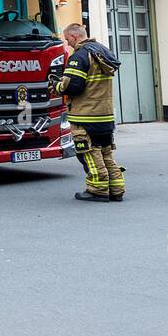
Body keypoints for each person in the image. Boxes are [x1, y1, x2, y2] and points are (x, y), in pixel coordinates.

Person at [52, 23, 125, 202]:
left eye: (67, 39)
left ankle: (97, 190)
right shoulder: (103, 52)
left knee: (89, 153)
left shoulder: (79, 56)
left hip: (85, 115)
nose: (67, 44)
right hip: (105, 114)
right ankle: (116, 189)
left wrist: (56, 86)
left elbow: (74, 86)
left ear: (75, 37)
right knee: (106, 152)